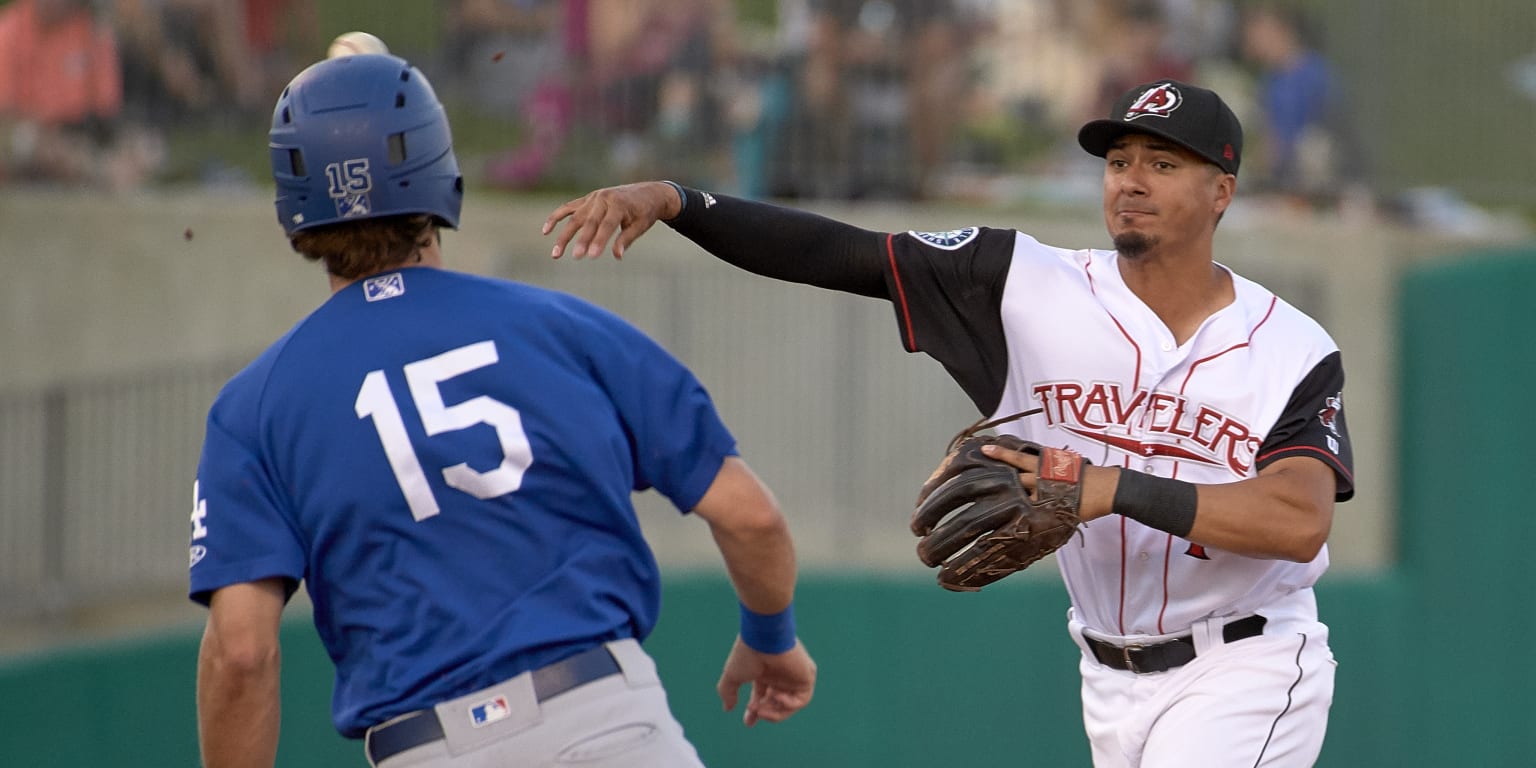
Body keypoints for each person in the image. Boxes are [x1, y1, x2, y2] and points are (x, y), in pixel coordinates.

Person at [545, 79, 1354, 766]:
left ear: (1222, 190)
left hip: (1246, 660)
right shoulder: (1024, 285)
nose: (1130, 181)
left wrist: (1108, 486)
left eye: (1162, 163)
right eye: (1118, 162)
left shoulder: (1289, 347)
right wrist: (678, 202)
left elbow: (1296, 522)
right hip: (1108, 677)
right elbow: (838, 253)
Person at [188, 52, 816, 768]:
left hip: (426, 748)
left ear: (293, 211)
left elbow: (241, 651)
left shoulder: (252, 408)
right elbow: (749, 515)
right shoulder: (563, 329)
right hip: (611, 722)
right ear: (438, 178)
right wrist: (771, 640)